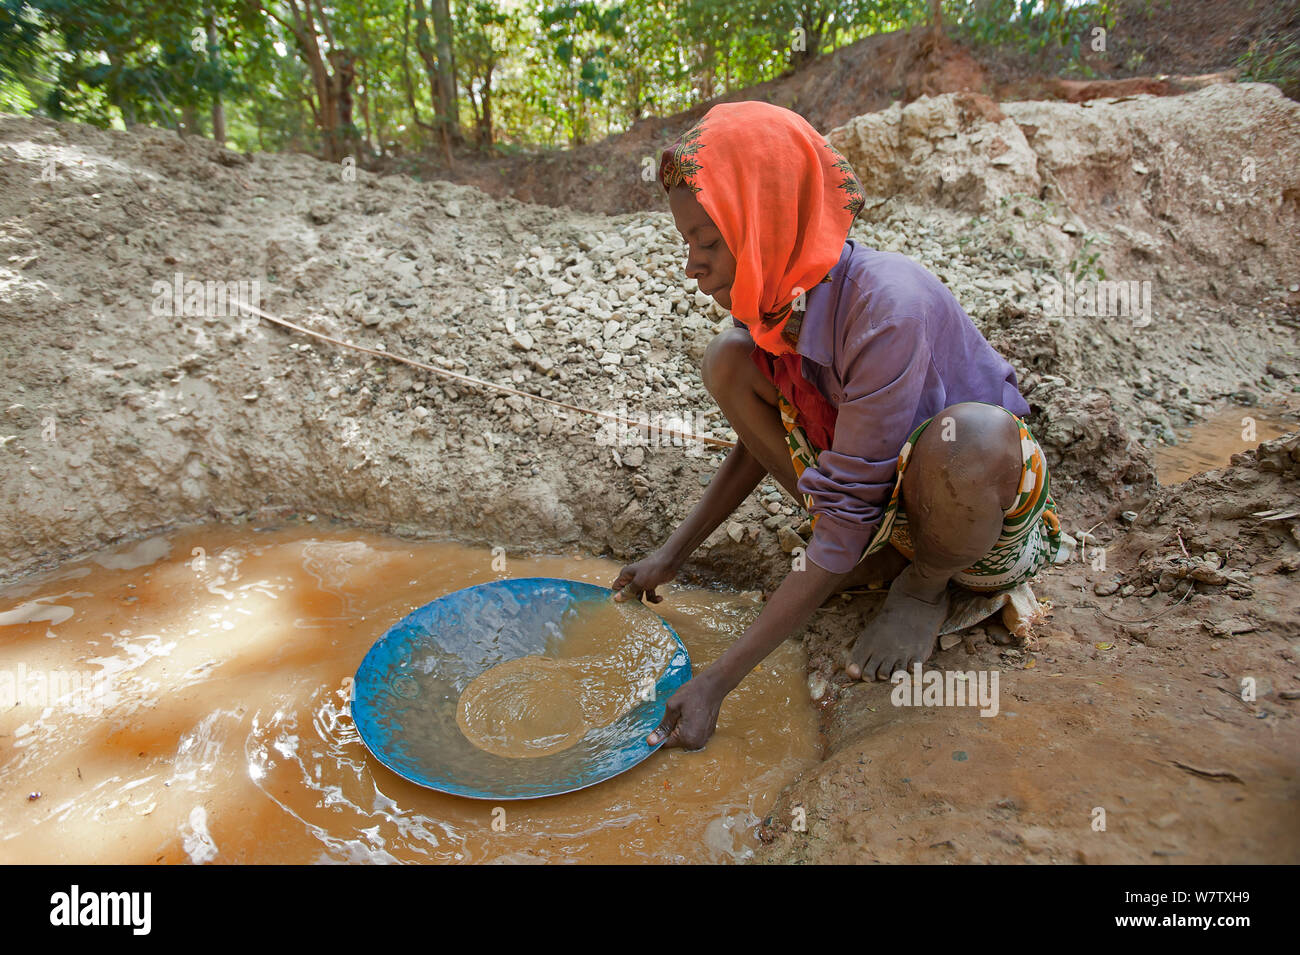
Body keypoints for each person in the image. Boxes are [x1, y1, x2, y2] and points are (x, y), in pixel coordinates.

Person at [612, 101, 1071, 751]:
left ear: (766, 229)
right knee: (727, 359)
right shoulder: (776, 309)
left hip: (973, 505)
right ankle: (867, 558)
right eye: (688, 243)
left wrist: (716, 681)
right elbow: (760, 439)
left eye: (709, 243)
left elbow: (851, 508)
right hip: (881, 500)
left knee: (970, 439)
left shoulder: (886, 308)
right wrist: (672, 554)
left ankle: (923, 583)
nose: (693, 265)